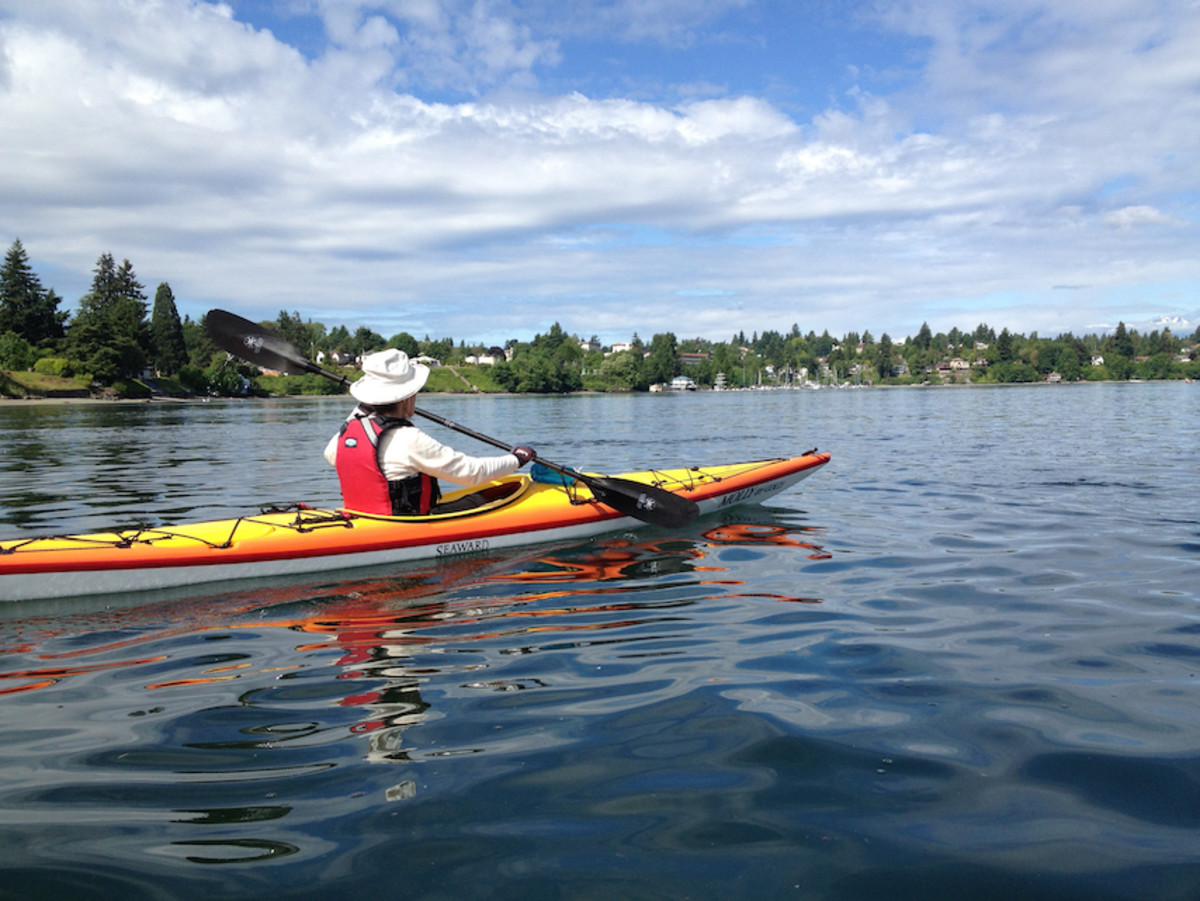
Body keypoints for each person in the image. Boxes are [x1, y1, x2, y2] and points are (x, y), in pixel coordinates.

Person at [324, 348, 535, 515]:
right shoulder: (407, 439)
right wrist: (517, 459)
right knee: (478, 500)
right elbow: (472, 473)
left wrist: (362, 407)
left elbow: (332, 454)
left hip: (363, 518)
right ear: (408, 395)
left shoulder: (349, 430)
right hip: (404, 526)